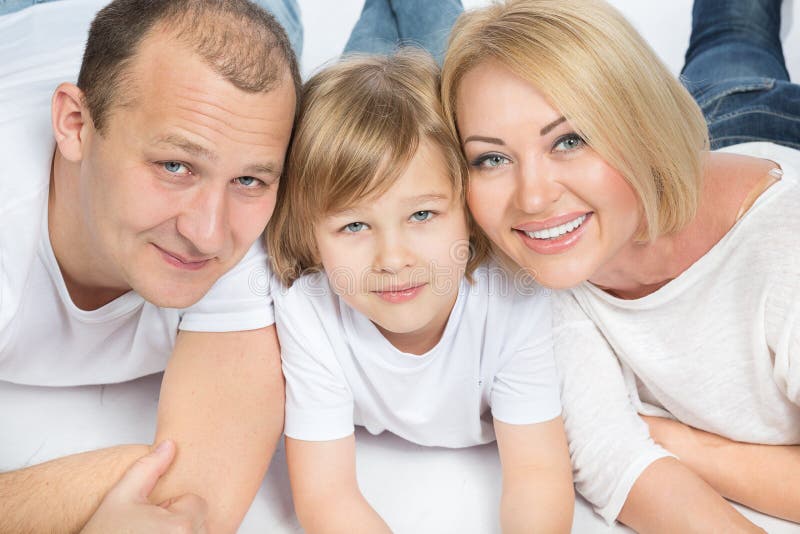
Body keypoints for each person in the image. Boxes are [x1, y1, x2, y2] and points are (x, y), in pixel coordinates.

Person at [441, 0, 800, 531]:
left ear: (641, 130)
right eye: (492, 158)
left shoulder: (785, 258)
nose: (533, 199)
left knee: (734, 30)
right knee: (728, 41)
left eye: (569, 140)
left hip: (760, 135)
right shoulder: (538, 259)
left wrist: (683, 444)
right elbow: (610, 457)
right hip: (676, 159)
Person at [0, 0, 300, 531]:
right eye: (175, 166)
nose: (208, 234)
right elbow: (179, 489)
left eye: (249, 180)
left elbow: (192, 504)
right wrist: (114, 478)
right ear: (75, 125)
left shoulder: (257, 226)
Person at [266, 48, 574, 533]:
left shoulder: (514, 299)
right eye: (353, 226)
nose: (393, 259)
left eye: (422, 215)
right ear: (310, 235)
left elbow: (537, 474)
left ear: (468, 213)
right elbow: (327, 496)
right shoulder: (308, 311)